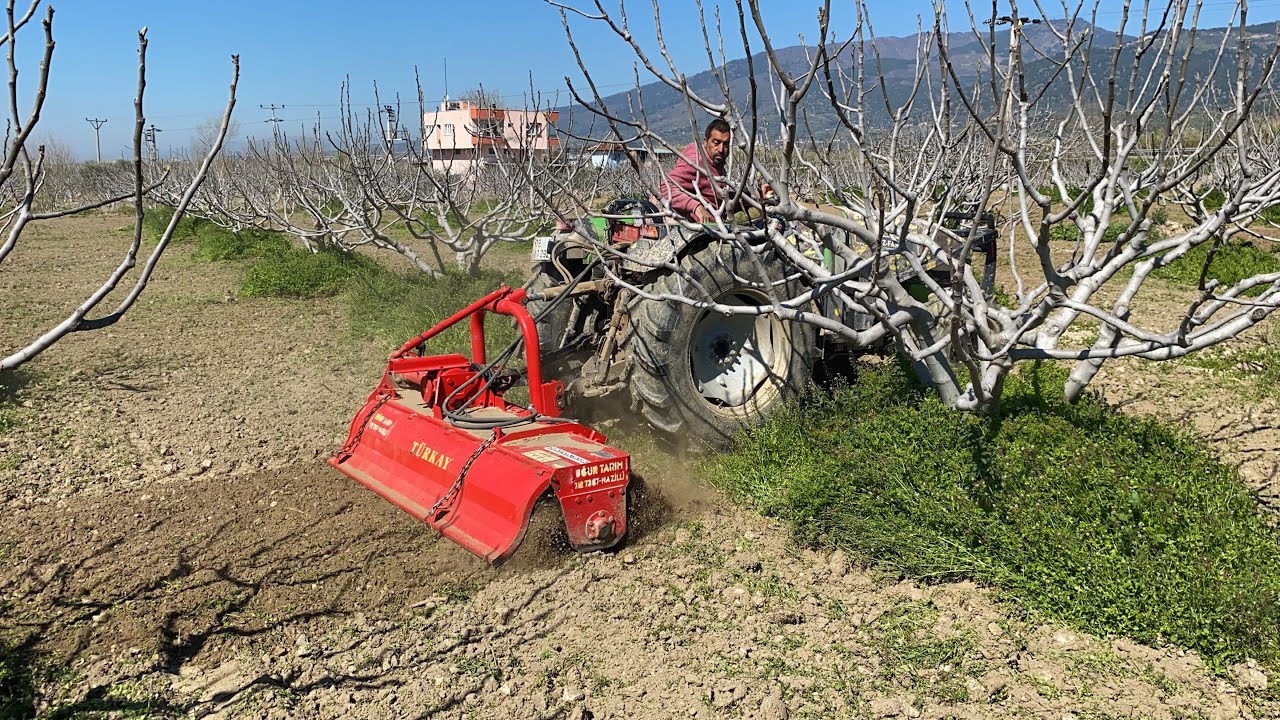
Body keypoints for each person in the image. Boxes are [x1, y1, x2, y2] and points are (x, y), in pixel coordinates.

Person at [658, 118, 771, 223]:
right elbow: (665, 187)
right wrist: (696, 207)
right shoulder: (697, 162)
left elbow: (721, 197)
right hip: (698, 233)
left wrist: (757, 195)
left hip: (716, 227)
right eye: (716, 143)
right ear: (706, 142)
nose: (721, 149)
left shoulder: (715, 163)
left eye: (726, 144)